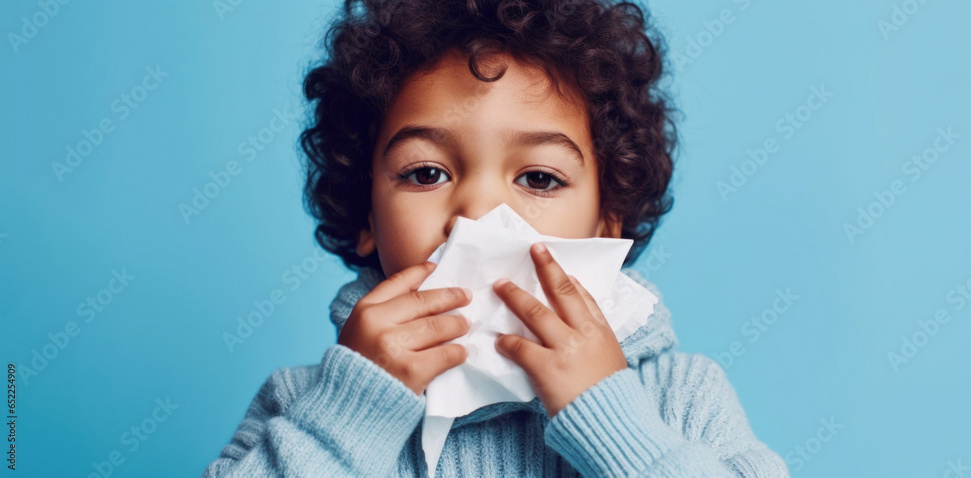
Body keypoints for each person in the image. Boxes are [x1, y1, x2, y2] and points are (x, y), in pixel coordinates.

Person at [202, 0, 789, 475]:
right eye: (426, 173)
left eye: (538, 177)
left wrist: (610, 414)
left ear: (607, 219)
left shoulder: (680, 398)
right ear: (365, 217)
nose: (479, 213)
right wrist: (353, 409)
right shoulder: (305, 404)